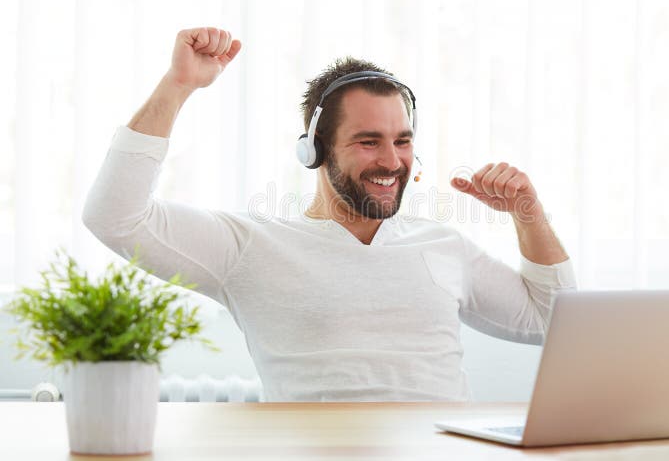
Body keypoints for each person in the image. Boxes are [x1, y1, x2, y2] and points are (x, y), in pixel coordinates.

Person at [82, 26, 577, 402]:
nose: (392, 161)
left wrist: (528, 214)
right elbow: (115, 217)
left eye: (402, 140)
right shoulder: (250, 245)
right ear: (314, 149)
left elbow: (553, 323)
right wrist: (177, 86)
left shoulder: (441, 245)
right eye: (369, 141)